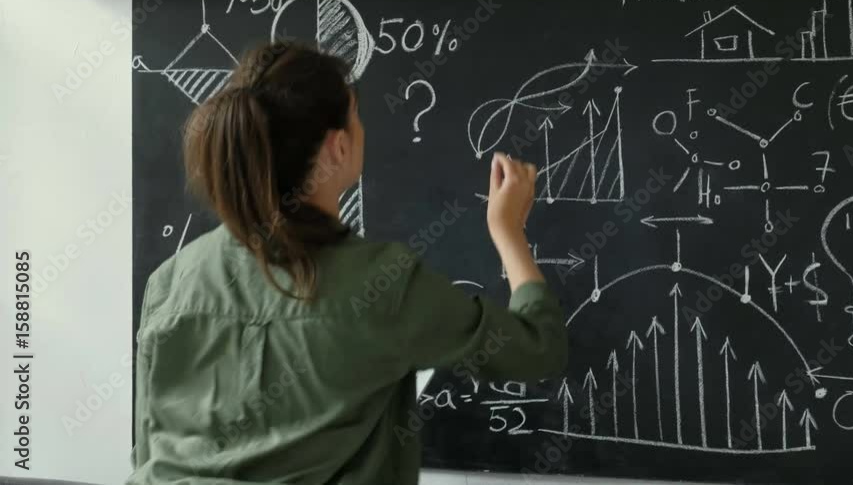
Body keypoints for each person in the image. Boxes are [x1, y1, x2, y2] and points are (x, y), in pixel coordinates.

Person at [128, 41, 568, 484]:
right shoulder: (381, 286)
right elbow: (536, 348)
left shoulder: (171, 280)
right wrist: (508, 230)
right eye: (356, 116)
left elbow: (149, 443)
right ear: (337, 147)